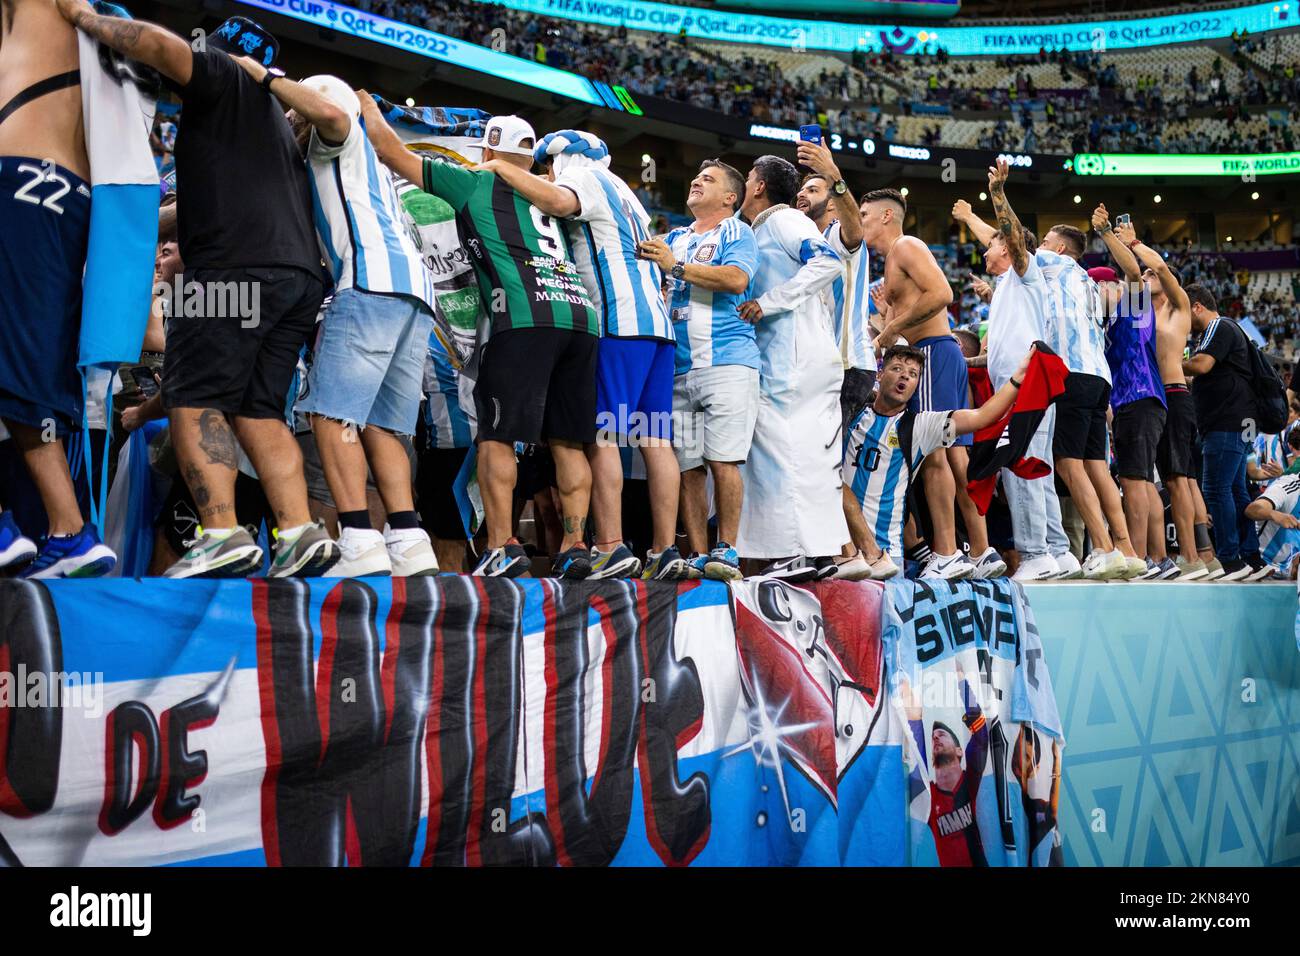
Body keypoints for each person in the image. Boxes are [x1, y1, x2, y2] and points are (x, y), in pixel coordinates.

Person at [59, 7, 338, 578]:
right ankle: (296, 531)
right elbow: (190, 210)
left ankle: (219, 533)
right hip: (296, 278)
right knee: (259, 410)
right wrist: (127, 223)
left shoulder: (223, 75)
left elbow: (162, 50)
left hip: (228, 273)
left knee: (190, 393)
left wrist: (88, 20)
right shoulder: (274, 121)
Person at [360, 99, 600, 579]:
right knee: (568, 443)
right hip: (580, 320)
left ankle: (502, 544)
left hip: (524, 317)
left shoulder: (475, 180)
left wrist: (363, 101)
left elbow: (388, 150)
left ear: (488, 149)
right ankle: (576, 545)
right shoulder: (550, 190)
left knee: (496, 437)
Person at [247, 70, 440, 578]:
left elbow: (330, 112)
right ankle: (409, 538)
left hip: (371, 283)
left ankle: (357, 537)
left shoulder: (337, 135)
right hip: (415, 294)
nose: (291, 119)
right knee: (384, 424)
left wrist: (266, 78)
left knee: (331, 416)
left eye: (296, 112)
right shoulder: (368, 165)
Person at [478, 128, 687, 581]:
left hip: (619, 326)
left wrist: (499, 166)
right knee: (655, 441)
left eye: (548, 167)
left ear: (559, 161)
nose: (548, 175)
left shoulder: (586, 179)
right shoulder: (628, 192)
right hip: (657, 330)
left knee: (603, 437)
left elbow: (558, 202)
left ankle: (610, 545)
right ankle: (664, 549)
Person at [0, 0, 116, 577]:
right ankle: (68, 530)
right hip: (69, 198)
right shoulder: (88, 27)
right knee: (30, 366)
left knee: (19, 361)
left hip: (18, 178)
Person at [638, 159, 759, 581]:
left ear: (730, 197)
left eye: (708, 180)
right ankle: (697, 552)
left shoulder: (737, 231)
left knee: (723, 461)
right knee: (687, 465)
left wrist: (675, 266)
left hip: (726, 362)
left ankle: (727, 549)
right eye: (696, 177)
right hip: (677, 367)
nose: (695, 181)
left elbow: (736, 279)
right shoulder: (674, 236)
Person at [868, 188, 991, 579]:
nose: (862, 220)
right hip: (938, 352)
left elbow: (943, 293)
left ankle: (946, 551)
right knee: (953, 456)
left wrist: (891, 325)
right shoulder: (892, 260)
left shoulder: (905, 245)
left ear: (888, 215)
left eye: (866, 213)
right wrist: (886, 313)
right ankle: (980, 550)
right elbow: (910, 312)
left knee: (935, 453)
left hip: (933, 352)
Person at [734, 154, 847, 579]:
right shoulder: (763, 229)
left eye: (746, 176)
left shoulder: (783, 221)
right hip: (805, 351)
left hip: (793, 354)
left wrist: (769, 302)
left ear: (759, 186)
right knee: (810, 457)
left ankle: (790, 554)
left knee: (780, 452)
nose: (744, 184)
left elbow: (827, 262)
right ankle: (818, 553)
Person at [842, 344, 1037, 579]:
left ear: (916, 386)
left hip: (886, 555)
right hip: (839, 552)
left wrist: (1018, 379)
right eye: (897, 368)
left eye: (913, 374)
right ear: (879, 374)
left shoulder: (920, 426)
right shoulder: (850, 414)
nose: (905, 375)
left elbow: (982, 417)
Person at [1032, 205, 1140, 579]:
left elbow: (1008, 246)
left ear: (1058, 248)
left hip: (1071, 374)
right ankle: (1126, 548)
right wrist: (1109, 234)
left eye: (1046, 241)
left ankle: (1104, 548)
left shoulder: (1051, 264)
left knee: (1067, 463)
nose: (1040, 245)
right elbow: (1136, 277)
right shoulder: (1094, 289)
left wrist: (969, 219)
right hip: (1100, 377)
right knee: (1097, 466)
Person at [966, 199, 1068, 581]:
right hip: (1026, 383)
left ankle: (1035, 553)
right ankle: (1057, 552)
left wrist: (998, 194)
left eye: (991, 245)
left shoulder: (1026, 273)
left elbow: (1009, 236)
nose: (984, 250)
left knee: (1020, 465)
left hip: (1026, 386)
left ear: (1007, 248)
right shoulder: (1008, 286)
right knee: (1038, 468)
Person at [1091, 205, 1173, 580]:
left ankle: (1139, 556)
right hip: (1135, 403)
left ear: (1111, 286)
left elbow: (1135, 272)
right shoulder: (1107, 322)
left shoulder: (1133, 304)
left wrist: (1107, 233)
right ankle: (1158, 557)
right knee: (1142, 480)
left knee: (1134, 481)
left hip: (1140, 398)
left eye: (1099, 287)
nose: (1097, 294)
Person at [793, 139, 876, 434]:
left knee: (829, 466)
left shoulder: (837, 236)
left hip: (847, 367)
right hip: (821, 366)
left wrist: (832, 174)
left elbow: (856, 229)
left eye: (812, 190)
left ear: (831, 203)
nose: (802, 194)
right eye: (801, 191)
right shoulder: (806, 243)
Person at [1183, 284, 1260, 581]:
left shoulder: (1219, 325)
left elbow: (1202, 365)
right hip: (1239, 422)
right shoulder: (1227, 329)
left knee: (1217, 490)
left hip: (1226, 423)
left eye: (1184, 310)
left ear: (1198, 306)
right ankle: (1250, 556)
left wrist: (1168, 365)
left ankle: (1230, 559)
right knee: (1238, 490)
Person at [1244, 472, 1300, 578]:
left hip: (1288, 573)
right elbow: (1251, 509)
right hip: (1259, 567)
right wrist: (1274, 515)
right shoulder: (1287, 486)